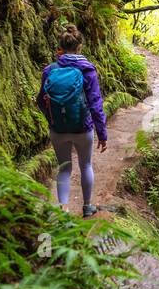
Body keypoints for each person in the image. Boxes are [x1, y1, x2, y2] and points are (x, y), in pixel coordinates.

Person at [37, 25, 108, 217]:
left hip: (58, 129)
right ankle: (87, 207)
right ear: (80, 47)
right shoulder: (88, 70)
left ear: (60, 47)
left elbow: (41, 101)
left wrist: (52, 119)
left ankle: (64, 210)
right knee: (86, 165)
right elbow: (95, 104)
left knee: (64, 168)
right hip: (82, 128)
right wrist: (102, 133)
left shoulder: (50, 70)